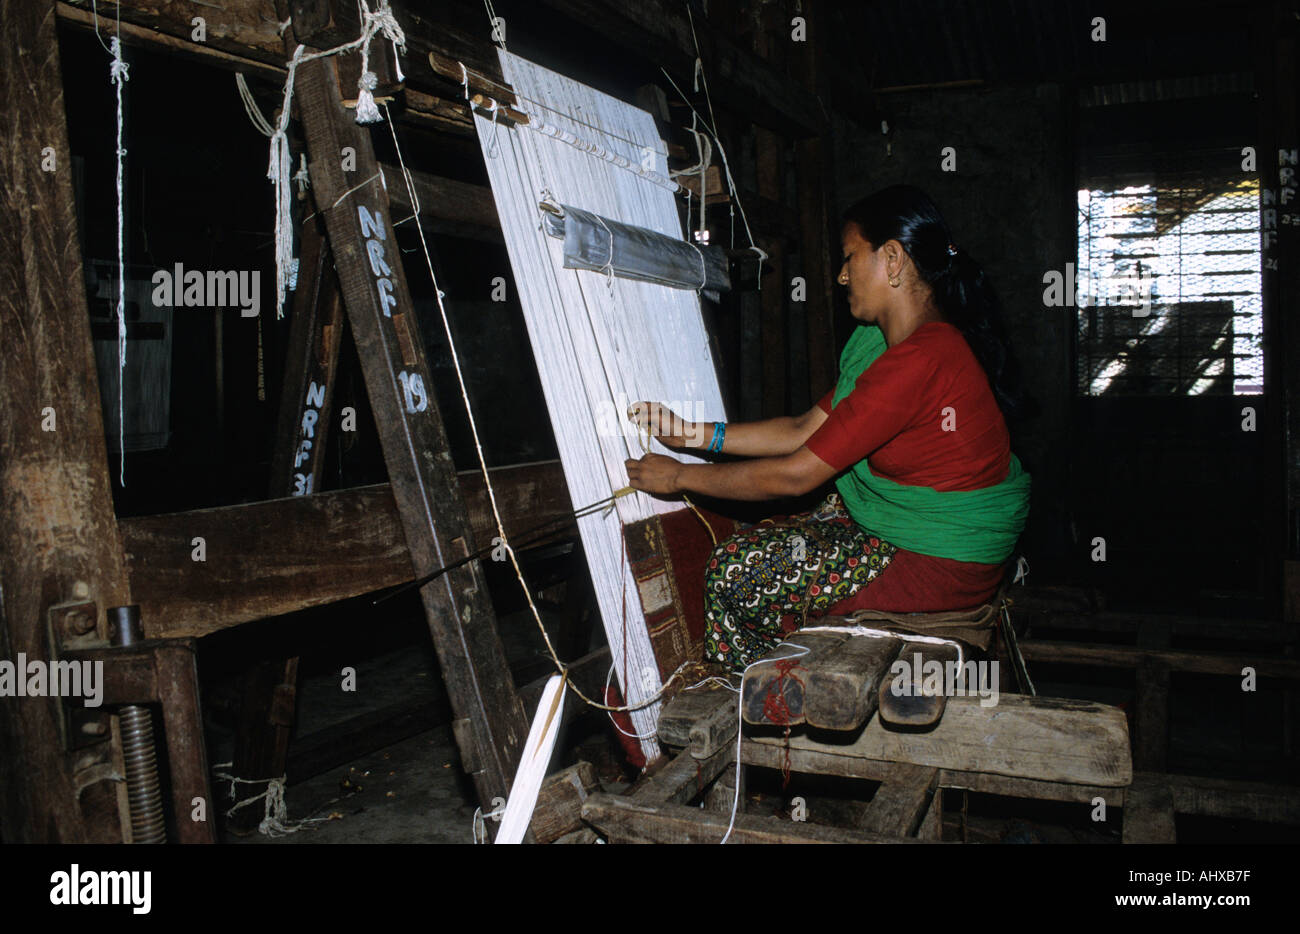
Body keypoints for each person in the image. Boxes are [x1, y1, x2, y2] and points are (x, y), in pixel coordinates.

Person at [624, 185, 1032, 670]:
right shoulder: (881, 344)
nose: (842, 275)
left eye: (850, 257)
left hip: (941, 559)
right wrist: (693, 434)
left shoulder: (920, 361)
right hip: (920, 528)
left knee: (734, 571)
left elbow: (796, 474)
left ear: (893, 259)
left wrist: (679, 477)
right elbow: (803, 428)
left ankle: (758, 701)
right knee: (796, 524)